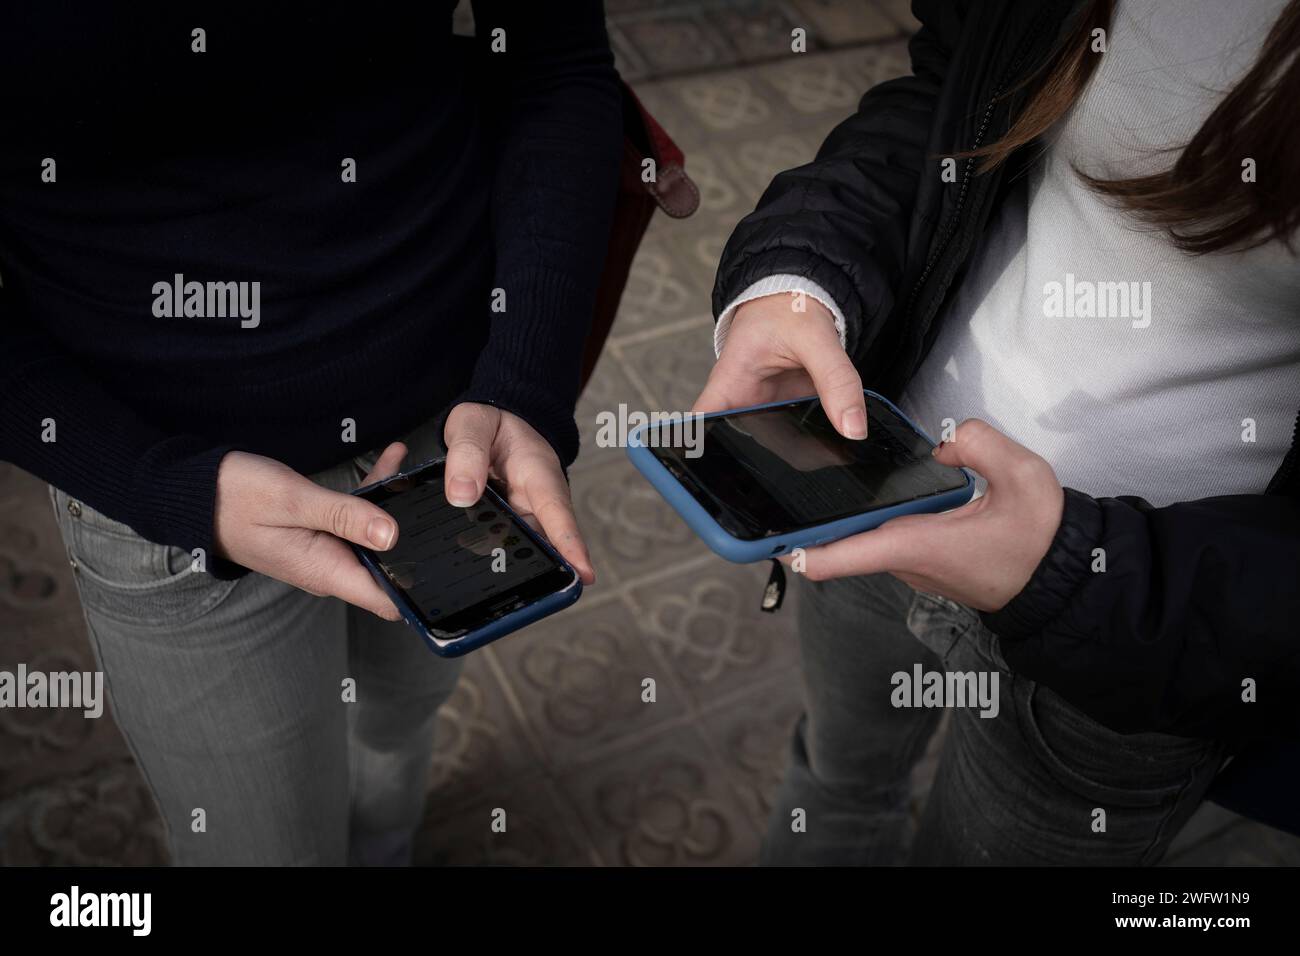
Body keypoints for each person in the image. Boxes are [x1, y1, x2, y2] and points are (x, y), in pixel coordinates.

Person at [0, 2, 620, 865]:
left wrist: (524, 383)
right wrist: (163, 486)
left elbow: (555, 63)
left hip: (455, 425)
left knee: (400, 728)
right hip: (173, 499)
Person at [697, 0, 1300, 864]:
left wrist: (1076, 575)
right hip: (878, 476)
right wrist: (799, 275)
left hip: (1126, 650)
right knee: (838, 778)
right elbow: (946, 87)